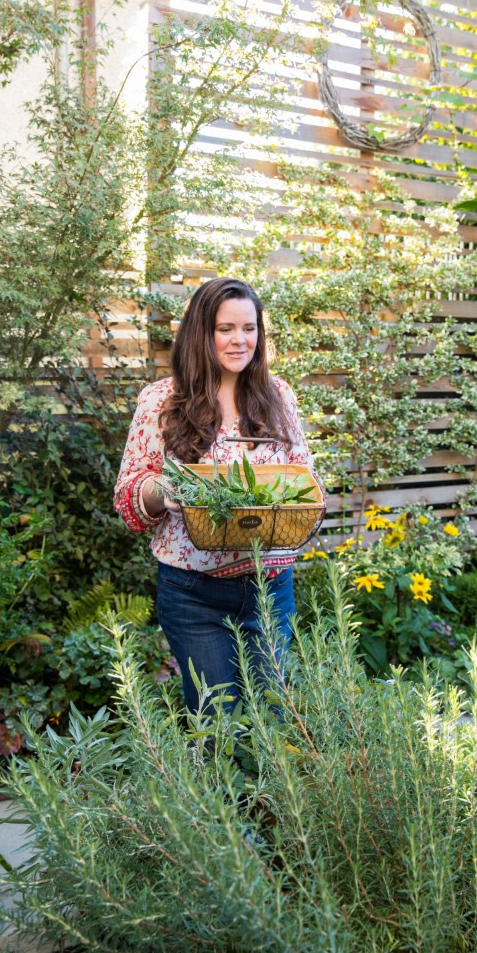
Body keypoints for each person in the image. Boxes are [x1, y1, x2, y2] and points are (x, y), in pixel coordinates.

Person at [113, 278, 323, 719]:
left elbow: (304, 478)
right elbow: (129, 493)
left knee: (274, 724)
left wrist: (302, 498)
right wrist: (164, 490)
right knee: (219, 730)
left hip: (270, 587)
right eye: (226, 328)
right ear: (201, 332)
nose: (240, 340)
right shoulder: (162, 400)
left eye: (249, 328)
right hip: (194, 594)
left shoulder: (277, 395)